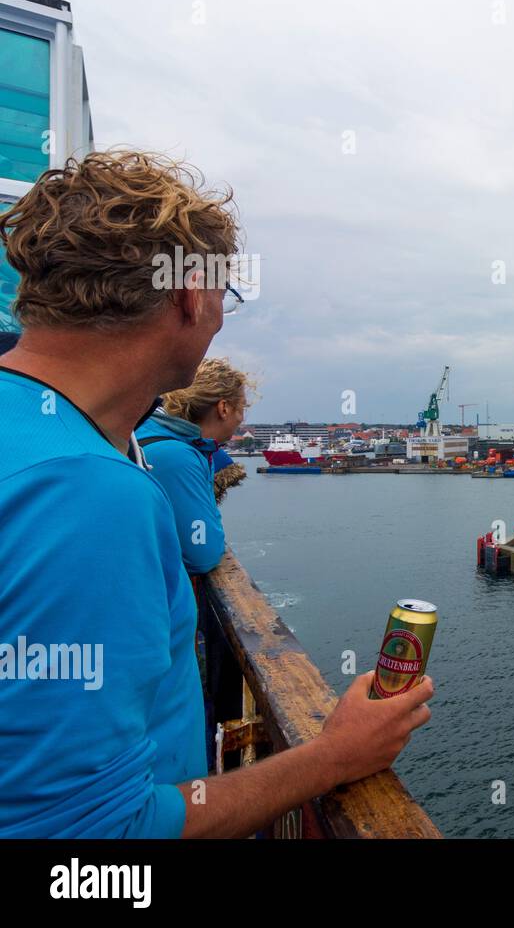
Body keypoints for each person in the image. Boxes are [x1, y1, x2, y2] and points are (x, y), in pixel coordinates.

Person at [0, 151, 432, 838]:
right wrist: (334, 756)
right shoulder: (83, 494)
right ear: (190, 297)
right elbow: (89, 843)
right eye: (225, 297)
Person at [137, 357, 253, 574]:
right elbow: (202, 554)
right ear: (224, 408)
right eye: (242, 407)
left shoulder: (150, 433)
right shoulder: (178, 456)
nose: (242, 418)